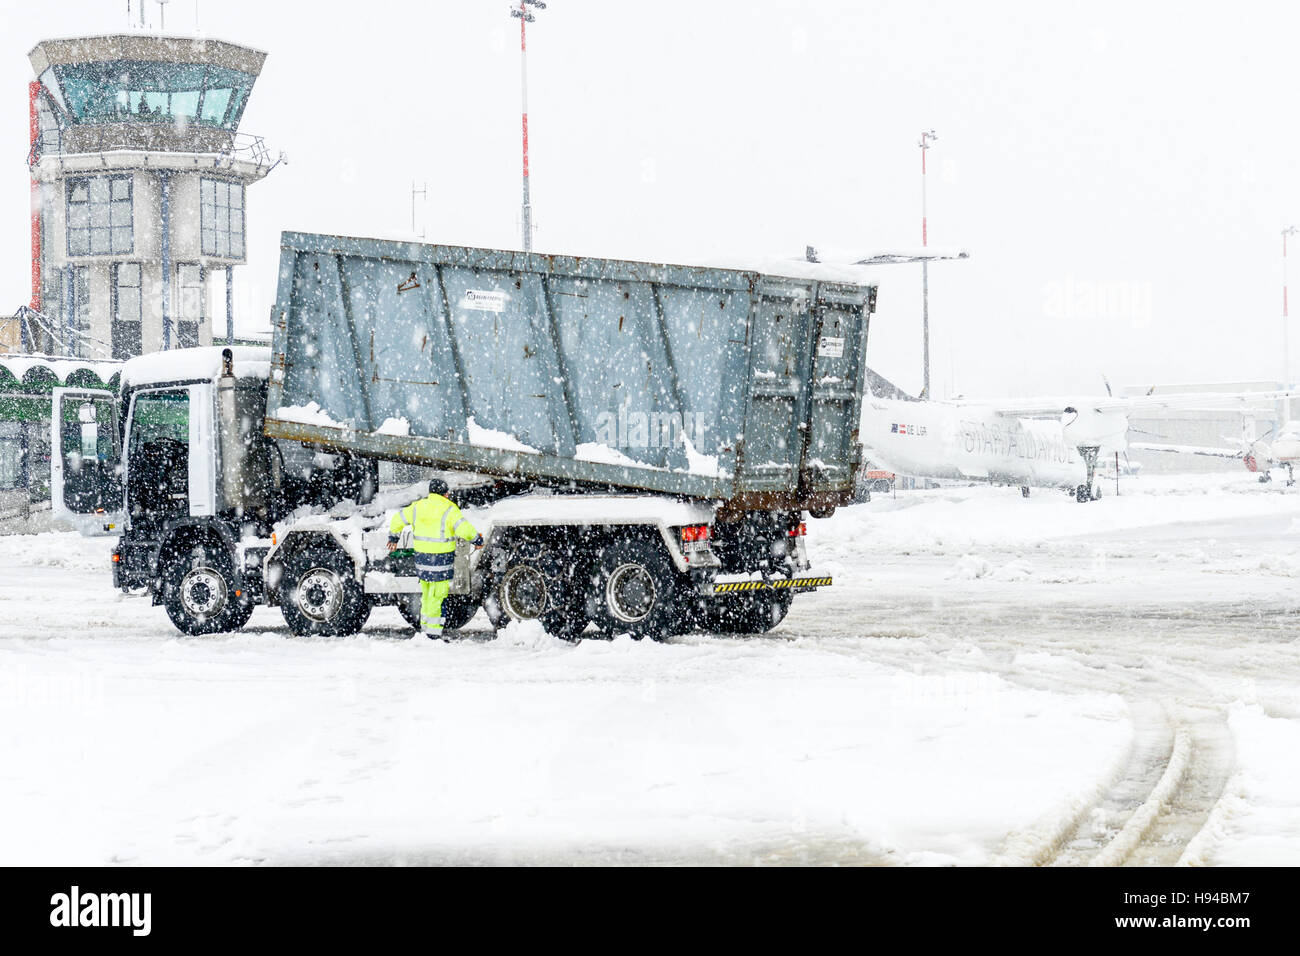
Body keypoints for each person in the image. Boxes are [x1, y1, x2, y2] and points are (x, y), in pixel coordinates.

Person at [388, 478, 483, 639]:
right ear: (445, 493)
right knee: (438, 596)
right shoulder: (449, 508)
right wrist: (477, 540)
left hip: (422, 560)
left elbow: (398, 519)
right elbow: (463, 529)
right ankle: (433, 633)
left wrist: (393, 538)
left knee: (426, 593)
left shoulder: (418, 507)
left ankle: (425, 628)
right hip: (440, 561)